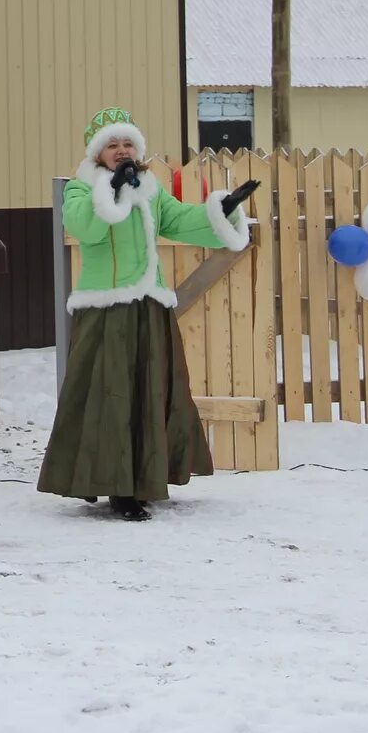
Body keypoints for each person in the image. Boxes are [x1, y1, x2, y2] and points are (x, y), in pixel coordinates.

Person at [38, 108, 255, 520]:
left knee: (150, 391)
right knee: (112, 394)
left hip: (149, 305)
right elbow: (86, 229)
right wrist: (114, 191)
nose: (121, 151)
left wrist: (223, 208)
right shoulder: (82, 190)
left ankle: (144, 476)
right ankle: (117, 488)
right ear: (98, 153)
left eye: (128, 144)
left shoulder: (150, 189)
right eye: (113, 145)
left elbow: (179, 221)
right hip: (106, 309)